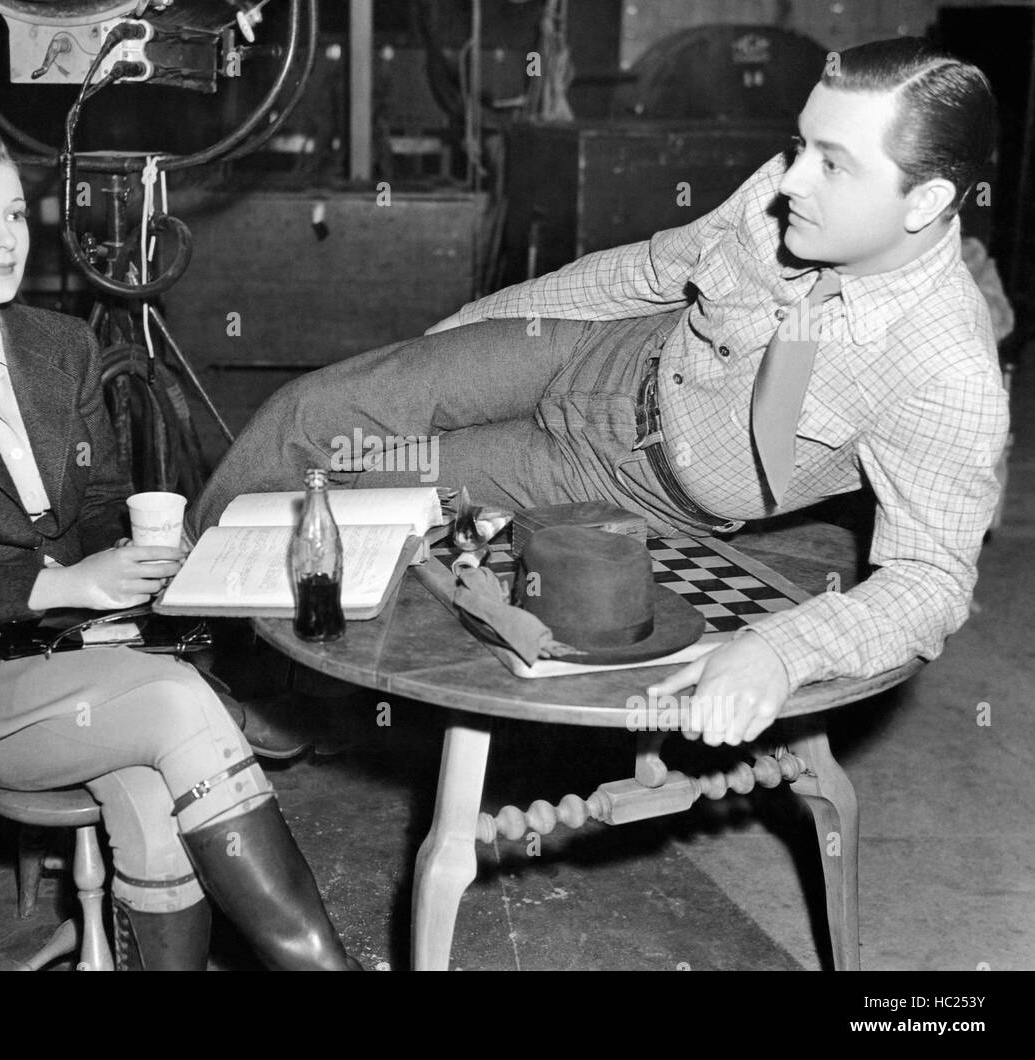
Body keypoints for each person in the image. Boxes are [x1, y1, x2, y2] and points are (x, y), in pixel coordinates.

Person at [186, 37, 1009, 748]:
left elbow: (932, 579)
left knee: (361, 499)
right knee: (312, 415)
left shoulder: (946, 370)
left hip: (620, 485)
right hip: (597, 354)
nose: (791, 180)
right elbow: (654, 270)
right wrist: (472, 328)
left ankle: (294, 703)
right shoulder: (794, 195)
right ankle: (192, 640)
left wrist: (785, 648)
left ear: (927, 200)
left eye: (833, 164)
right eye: (800, 145)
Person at [0, 119, 359, 971]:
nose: (6, 239)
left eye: (15, 213)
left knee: (155, 799)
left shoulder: (60, 345)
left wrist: (151, 563)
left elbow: (98, 511)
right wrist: (65, 587)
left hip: (88, 652)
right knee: (178, 706)